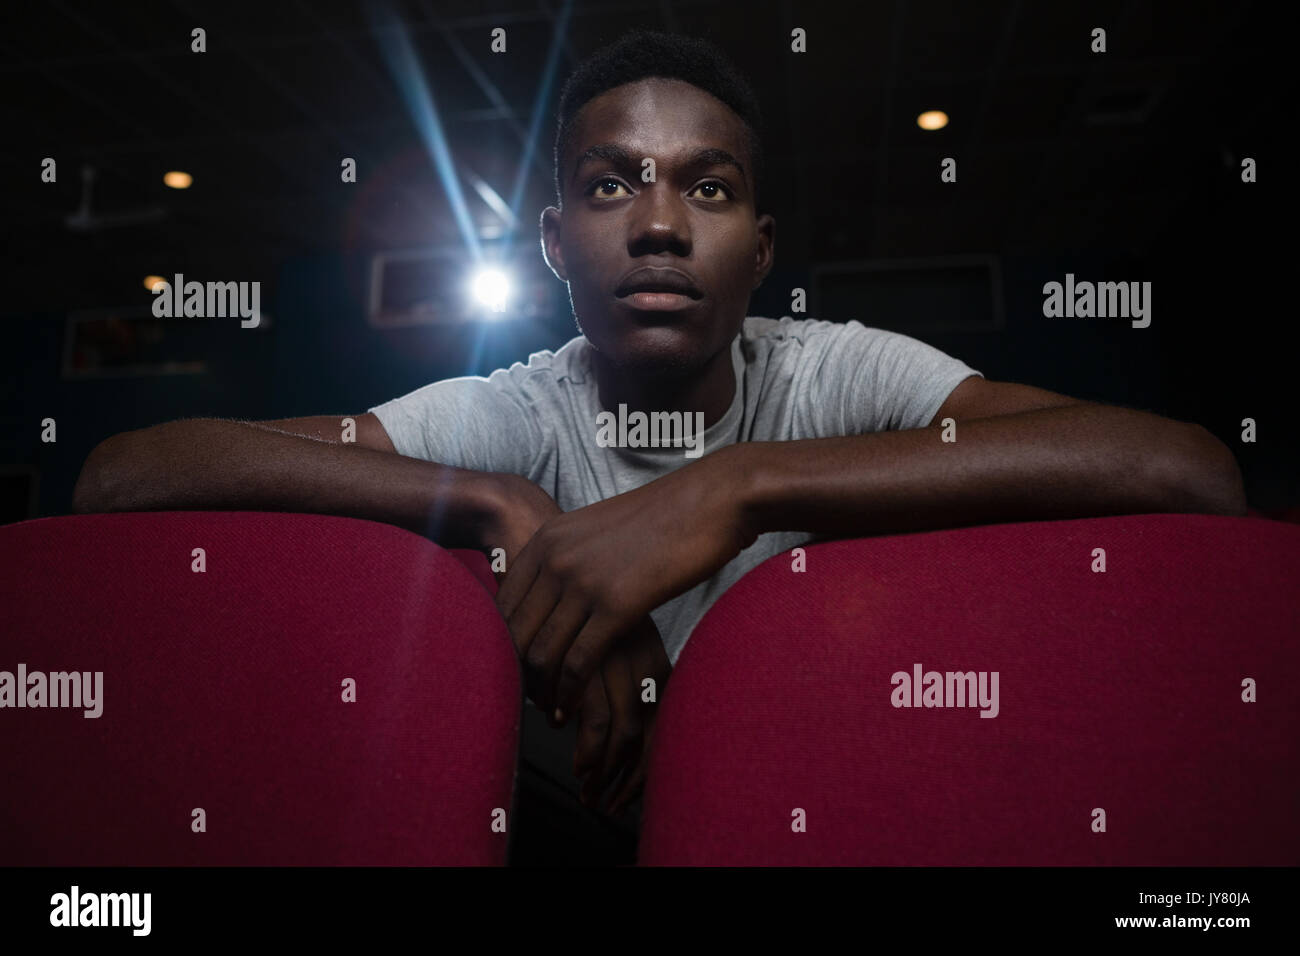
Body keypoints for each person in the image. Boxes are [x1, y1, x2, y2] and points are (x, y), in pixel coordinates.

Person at [73, 29, 1247, 821]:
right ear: (550, 244)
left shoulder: (832, 370)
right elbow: (124, 476)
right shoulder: (515, 408)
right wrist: (498, 504)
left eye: (709, 187)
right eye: (609, 184)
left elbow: (1182, 469)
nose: (659, 225)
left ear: (761, 248)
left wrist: (734, 485)